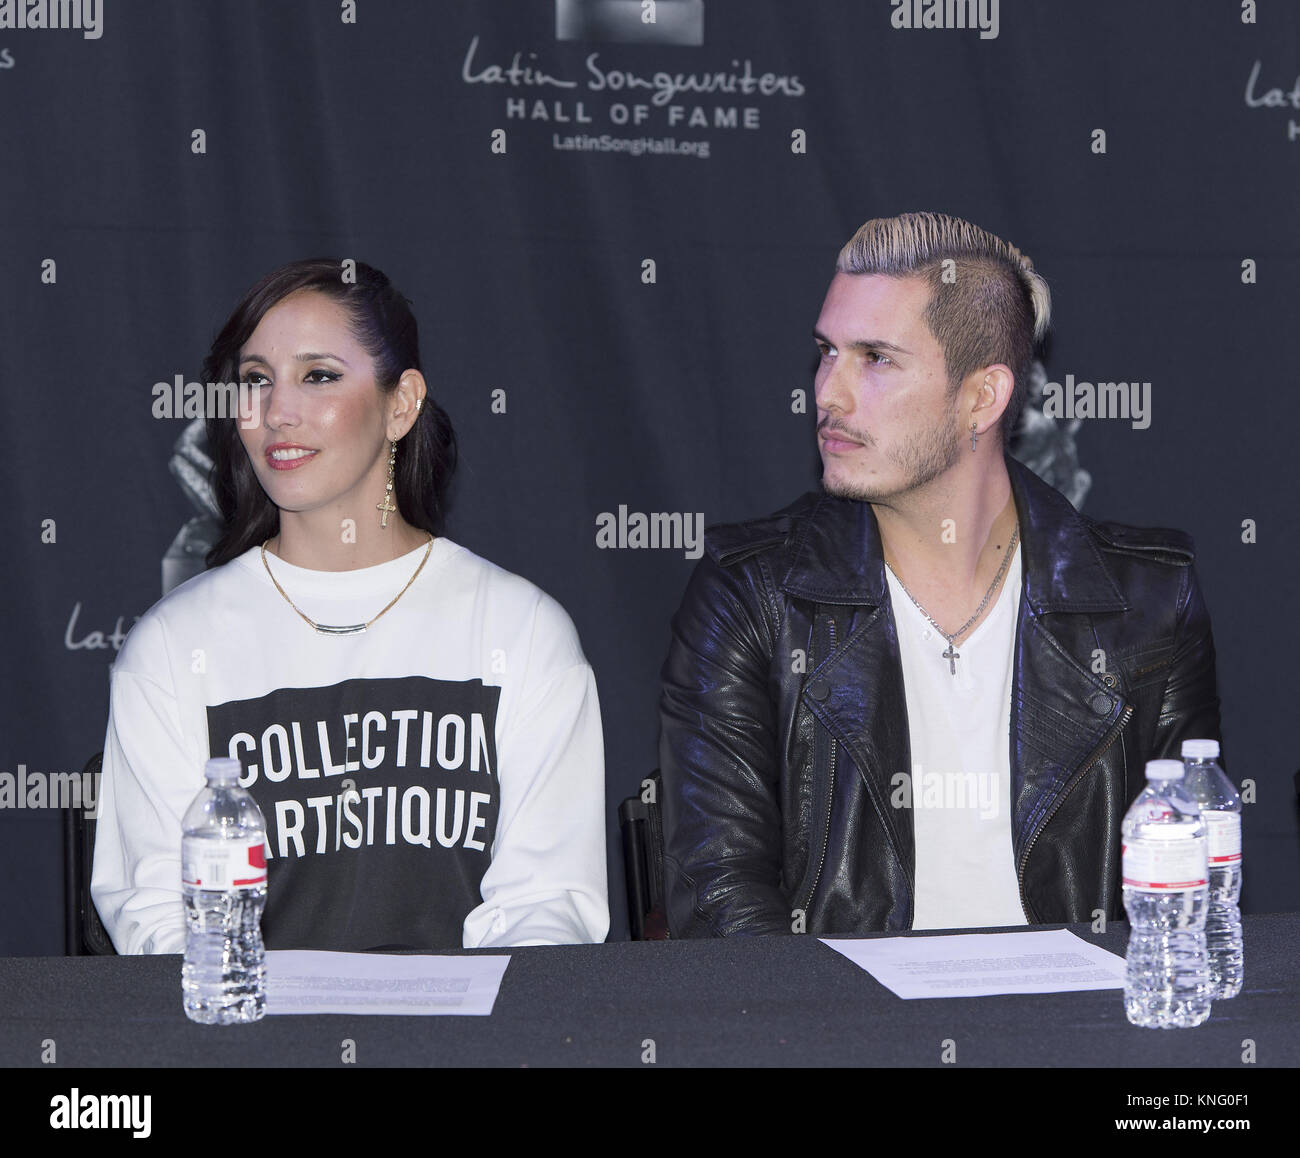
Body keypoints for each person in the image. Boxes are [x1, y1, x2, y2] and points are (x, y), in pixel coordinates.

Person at [659, 212, 1220, 937]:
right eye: (826, 352)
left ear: (981, 398)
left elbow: (1189, 899)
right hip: (841, 1035)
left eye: (876, 359)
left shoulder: (1147, 601)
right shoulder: (750, 596)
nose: (828, 393)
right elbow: (722, 900)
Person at [93, 258, 609, 953]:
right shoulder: (172, 645)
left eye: (319, 375)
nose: (277, 412)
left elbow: (547, 909)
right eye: (255, 381)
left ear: (401, 405)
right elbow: (162, 922)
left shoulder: (521, 631)